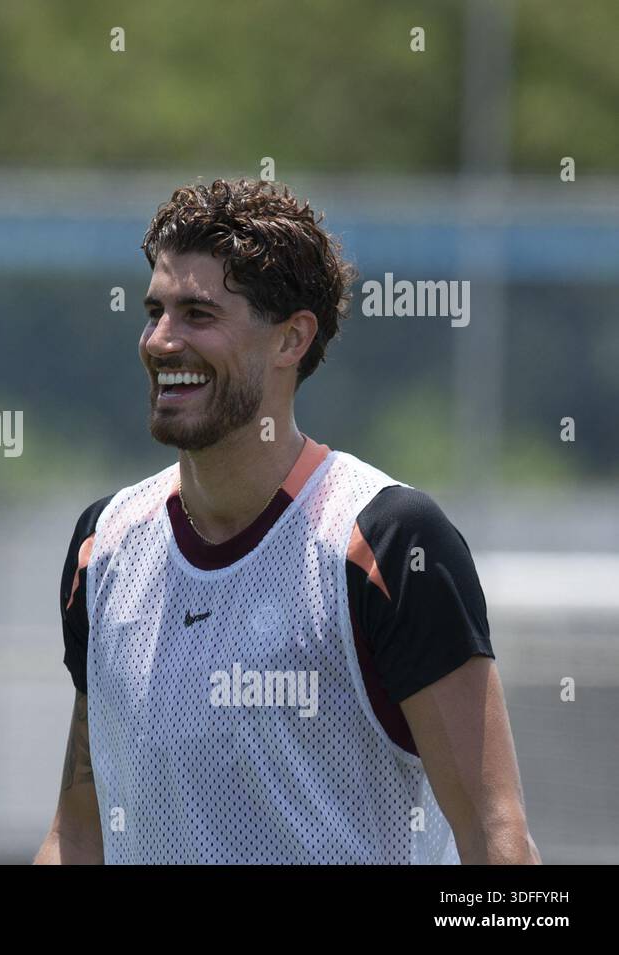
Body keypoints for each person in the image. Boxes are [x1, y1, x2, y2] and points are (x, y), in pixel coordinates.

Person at [33, 178, 539, 864]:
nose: (160, 340)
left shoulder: (387, 542)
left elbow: (494, 836)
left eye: (197, 314)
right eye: (155, 310)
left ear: (291, 338)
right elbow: (79, 833)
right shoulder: (105, 548)